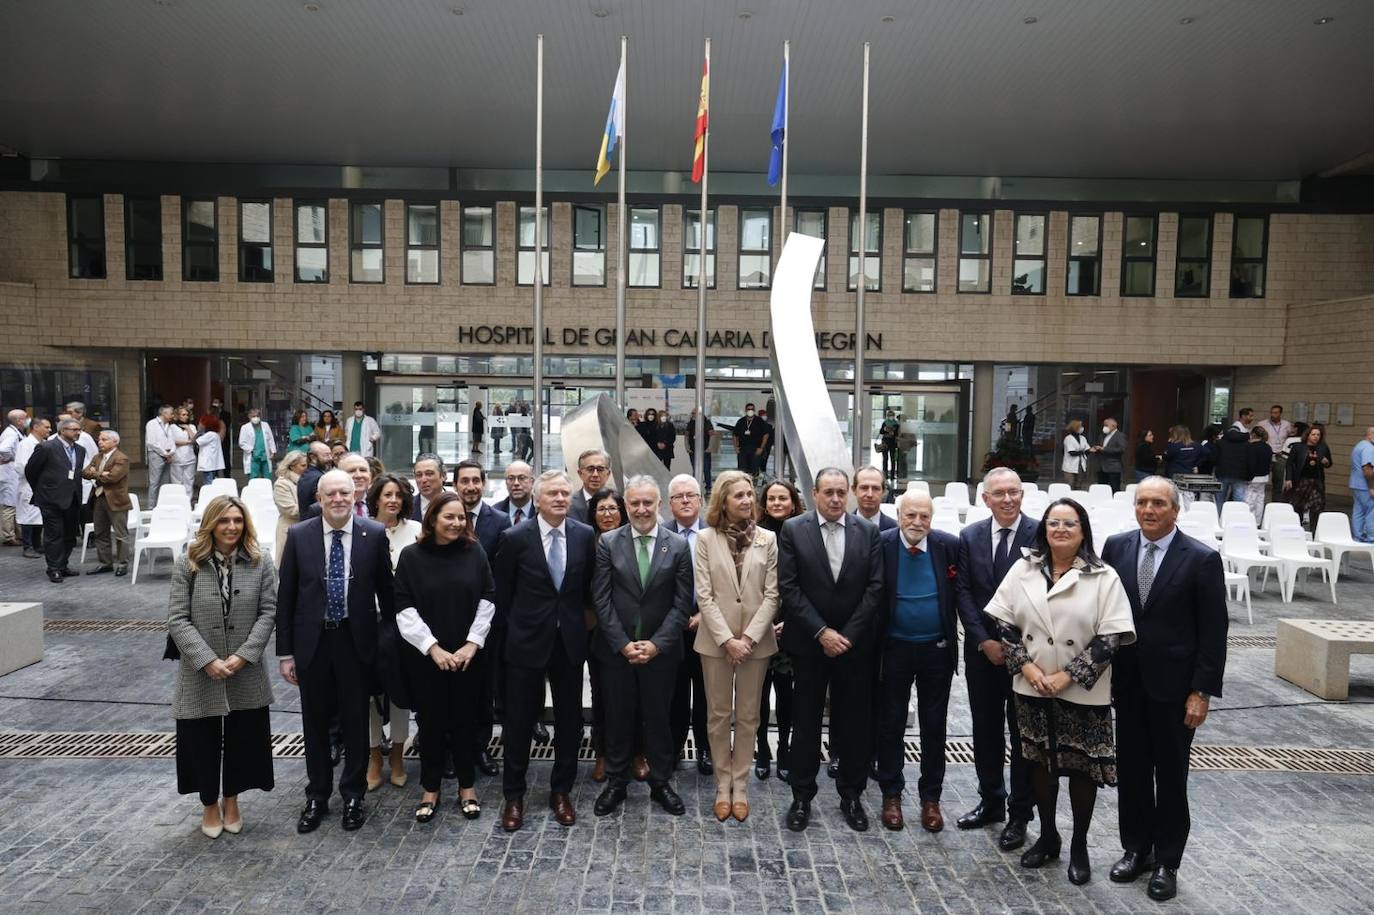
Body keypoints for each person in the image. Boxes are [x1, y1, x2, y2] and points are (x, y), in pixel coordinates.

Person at [984, 498, 1136, 885]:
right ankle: (1048, 836)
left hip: (1082, 690)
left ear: (1083, 530)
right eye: (1054, 523)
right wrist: (1030, 668)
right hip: (1032, 686)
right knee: (1039, 764)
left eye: (1070, 523)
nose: (1061, 530)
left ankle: (1079, 845)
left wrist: (1067, 676)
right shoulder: (1023, 569)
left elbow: (1112, 636)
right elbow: (1004, 624)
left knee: (1083, 770)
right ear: (1044, 529)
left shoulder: (1104, 576)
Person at [1102, 477, 1227, 901]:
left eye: (1158, 503)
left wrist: (1201, 692)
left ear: (1175, 510)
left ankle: (1167, 861)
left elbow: (1214, 634)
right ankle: (1136, 848)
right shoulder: (1116, 548)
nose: (1149, 510)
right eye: (1142, 503)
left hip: (1175, 691)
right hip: (1127, 685)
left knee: (1171, 776)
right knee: (1132, 770)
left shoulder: (1201, 559)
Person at [275, 468, 397, 834]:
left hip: (355, 642)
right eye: (332, 494)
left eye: (345, 493)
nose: (339, 499)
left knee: (356, 721)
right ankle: (317, 794)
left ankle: (354, 794)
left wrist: (386, 645)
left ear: (355, 496)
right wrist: (285, 654)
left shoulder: (373, 535)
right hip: (312, 644)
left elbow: (387, 596)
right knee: (314, 723)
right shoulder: (299, 536)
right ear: (320, 499)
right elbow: (287, 598)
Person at [778, 468, 884, 833]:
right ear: (815, 493)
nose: (836, 499)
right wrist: (822, 632)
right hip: (809, 645)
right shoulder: (794, 530)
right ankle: (801, 796)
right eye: (829, 492)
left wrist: (847, 635)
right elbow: (789, 589)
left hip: (854, 648)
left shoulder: (868, 532)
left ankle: (851, 795)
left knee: (854, 723)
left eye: (842, 492)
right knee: (804, 723)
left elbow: (875, 588)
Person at [167, 495, 278, 838]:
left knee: (244, 738)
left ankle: (232, 800)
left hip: (245, 669)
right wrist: (206, 660)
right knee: (201, 742)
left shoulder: (261, 560)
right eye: (224, 520)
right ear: (211, 524)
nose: (231, 527)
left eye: (237, 520)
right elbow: (177, 618)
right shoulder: (188, 562)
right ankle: (208, 804)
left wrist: (246, 654)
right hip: (201, 672)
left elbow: (269, 611)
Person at [493, 469, 596, 832]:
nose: (560, 499)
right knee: (519, 722)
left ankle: (561, 791)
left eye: (565, 494)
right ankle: (514, 796)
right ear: (537, 499)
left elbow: (586, 589)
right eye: (552, 493)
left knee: (569, 722)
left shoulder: (584, 536)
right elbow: (501, 595)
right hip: (525, 643)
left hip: (568, 642)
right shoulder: (514, 537)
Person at [590, 476, 693, 817]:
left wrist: (657, 644)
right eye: (634, 503)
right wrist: (622, 644)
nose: (641, 509)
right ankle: (616, 782)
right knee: (618, 718)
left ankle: (660, 782)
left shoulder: (677, 545)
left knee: (659, 719)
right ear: (626, 506)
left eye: (648, 502)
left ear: (659, 504)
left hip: (660, 653)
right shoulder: (608, 542)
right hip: (617, 652)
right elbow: (601, 599)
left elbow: (682, 604)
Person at [954, 467, 1039, 850]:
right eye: (999, 493)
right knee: (985, 730)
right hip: (983, 654)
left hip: (1029, 656)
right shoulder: (969, 536)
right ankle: (991, 801)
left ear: (1022, 495)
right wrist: (983, 641)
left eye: (1014, 492)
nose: (1007, 499)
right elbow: (965, 593)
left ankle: (1021, 813)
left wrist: (1016, 647)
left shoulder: (1040, 534)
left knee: (1024, 735)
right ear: (984, 499)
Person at [693, 470, 778, 822]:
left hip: (755, 645)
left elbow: (772, 595)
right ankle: (721, 783)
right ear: (723, 501)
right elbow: (704, 595)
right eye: (738, 495)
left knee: (748, 716)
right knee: (717, 715)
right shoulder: (705, 538)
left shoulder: (768, 539)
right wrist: (728, 639)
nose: (746, 500)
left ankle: (739, 785)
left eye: (749, 494)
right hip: (715, 643)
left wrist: (748, 639)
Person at [875, 491, 961, 833]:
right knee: (891, 723)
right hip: (894, 648)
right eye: (910, 515)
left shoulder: (948, 546)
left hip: (936, 651)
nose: (917, 522)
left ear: (931, 517)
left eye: (924, 516)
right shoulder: (880, 545)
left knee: (934, 726)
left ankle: (931, 799)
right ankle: (891, 795)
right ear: (898, 515)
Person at [453, 458, 512, 775]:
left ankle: (480, 747)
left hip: (489, 620)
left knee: (484, 689)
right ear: (456, 484)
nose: (471, 486)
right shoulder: (444, 517)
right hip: (448, 618)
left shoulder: (500, 521)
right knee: (450, 687)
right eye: (465, 481)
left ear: (484, 483)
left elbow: (502, 573)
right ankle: (453, 748)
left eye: (476, 480)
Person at [366, 473, 421, 791]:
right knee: (370, 696)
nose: (393, 500)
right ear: (375, 498)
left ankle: (398, 756)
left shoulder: (415, 532)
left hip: (406, 626)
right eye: (387, 494)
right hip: (368, 625)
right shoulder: (362, 530)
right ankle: (374, 757)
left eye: (398, 495)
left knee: (400, 694)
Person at [664, 474, 713, 776]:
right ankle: (673, 747)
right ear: (669, 503)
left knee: (708, 693)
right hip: (671, 627)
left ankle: (706, 749)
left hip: (709, 625)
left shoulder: (716, 534)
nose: (685, 500)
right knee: (675, 693)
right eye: (678, 496)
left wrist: (705, 615)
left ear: (700, 500)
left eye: (690, 495)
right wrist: (675, 616)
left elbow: (726, 582)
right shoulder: (660, 534)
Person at [755, 477, 802, 783]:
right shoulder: (754, 535)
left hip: (792, 630)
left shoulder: (804, 533)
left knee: (786, 696)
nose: (776, 504)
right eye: (771, 498)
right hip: (759, 628)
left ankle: (785, 748)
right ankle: (761, 749)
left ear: (793, 502)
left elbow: (809, 583)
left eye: (782, 498)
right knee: (757, 695)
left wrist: (793, 621)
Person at [587, 489, 629, 782]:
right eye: (601, 509)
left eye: (613, 509)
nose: (607, 514)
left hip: (631, 631)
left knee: (634, 695)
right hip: (596, 631)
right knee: (602, 696)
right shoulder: (583, 542)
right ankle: (602, 753)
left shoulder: (632, 540)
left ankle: (637, 752)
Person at [24, 417, 86, 584]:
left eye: (79, 429)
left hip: (72, 498)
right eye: (74, 429)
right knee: (54, 535)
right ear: (62, 430)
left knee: (70, 536)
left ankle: (63, 564)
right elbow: (30, 470)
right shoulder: (46, 447)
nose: (78, 432)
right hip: (50, 499)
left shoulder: (80, 450)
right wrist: (42, 490)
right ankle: (54, 569)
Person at [82, 429, 130, 576]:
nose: (100, 442)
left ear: (115, 442)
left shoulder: (121, 458)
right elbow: (84, 473)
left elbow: (112, 478)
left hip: (116, 500)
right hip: (98, 498)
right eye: (99, 439)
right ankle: (105, 563)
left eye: (104, 439)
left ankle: (123, 563)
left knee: (120, 534)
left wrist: (94, 473)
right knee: (100, 533)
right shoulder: (97, 457)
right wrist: (100, 473)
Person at [1284, 423, 1333, 531]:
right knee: (1298, 506)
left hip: (1316, 481)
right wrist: (1288, 478)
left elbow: (1329, 463)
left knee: (1317, 507)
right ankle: (1297, 529)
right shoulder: (1298, 447)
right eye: (1313, 434)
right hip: (1302, 480)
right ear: (1308, 435)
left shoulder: (1323, 448)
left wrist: (1326, 462)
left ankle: (1314, 531)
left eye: (1318, 435)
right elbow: (1289, 464)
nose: (1316, 437)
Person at [14, 418, 49, 558]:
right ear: (35, 427)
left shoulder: (44, 444)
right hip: (29, 485)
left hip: (41, 485)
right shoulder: (26, 444)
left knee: (38, 516)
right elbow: (21, 466)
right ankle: (27, 546)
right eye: (46, 427)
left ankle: (37, 544)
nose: (49, 430)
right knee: (28, 517)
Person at [0, 409, 29, 547]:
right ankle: (8, 536)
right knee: (9, 506)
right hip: (9, 473)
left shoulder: (14, 432)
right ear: (18, 421)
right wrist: (11, 458)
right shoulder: (11, 434)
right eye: (25, 418)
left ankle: (17, 534)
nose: (27, 420)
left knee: (14, 504)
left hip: (11, 474)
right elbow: (3, 449)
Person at [272, 452, 306, 560]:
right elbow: (291, 511)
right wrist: (314, 507)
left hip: (305, 531)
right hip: (289, 532)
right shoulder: (281, 484)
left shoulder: (306, 482)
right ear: (292, 466)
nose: (307, 468)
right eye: (303, 465)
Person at [1211, 420, 1251, 508]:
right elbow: (1249, 461)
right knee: (1239, 500)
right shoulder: (1246, 444)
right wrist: (1249, 476)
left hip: (1222, 473)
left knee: (1220, 499)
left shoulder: (1220, 443)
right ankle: (1237, 519)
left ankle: (1219, 519)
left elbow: (1214, 458)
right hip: (1240, 475)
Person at [145, 404, 178, 507]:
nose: (173, 416)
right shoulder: (152, 424)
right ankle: (151, 507)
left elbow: (172, 440)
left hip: (168, 454)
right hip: (156, 454)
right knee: (154, 482)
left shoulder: (169, 425)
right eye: (171, 413)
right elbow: (151, 442)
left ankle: (163, 505)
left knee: (166, 482)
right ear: (164, 413)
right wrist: (164, 453)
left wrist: (171, 452)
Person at [570, 448, 612, 524]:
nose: (595, 475)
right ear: (580, 473)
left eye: (600, 469)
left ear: (608, 473)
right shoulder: (568, 504)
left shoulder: (619, 504)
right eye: (590, 469)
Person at [1259, 405, 1292, 498]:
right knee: (1261, 479)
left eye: (1276, 413)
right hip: (1267, 454)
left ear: (1280, 413)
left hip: (1280, 455)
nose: (1273, 415)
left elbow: (1290, 437)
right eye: (1272, 412)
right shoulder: (1262, 424)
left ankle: (1276, 503)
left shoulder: (1287, 424)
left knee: (1278, 481)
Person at [853, 465, 897, 531]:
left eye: (875, 488)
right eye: (864, 488)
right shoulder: (843, 527)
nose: (869, 494)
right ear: (854, 490)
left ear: (884, 491)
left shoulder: (896, 529)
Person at [1243, 427, 1273, 524]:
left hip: (1253, 477)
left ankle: (1248, 521)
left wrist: (1248, 476)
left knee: (1249, 500)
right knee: (1260, 500)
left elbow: (1251, 463)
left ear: (1253, 435)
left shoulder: (1251, 447)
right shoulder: (1268, 447)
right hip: (1264, 476)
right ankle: (1258, 522)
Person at [237, 408, 276, 480]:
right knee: (253, 478)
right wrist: (251, 450)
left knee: (267, 477)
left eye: (257, 416)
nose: (256, 418)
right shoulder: (245, 427)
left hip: (265, 455)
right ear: (249, 417)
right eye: (253, 416)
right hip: (253, 456)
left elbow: (270, 439)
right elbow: (242, 443)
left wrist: (273, 451)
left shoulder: (265, 425)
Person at [1350, 426, 1374, 544]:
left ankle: (1358, 537)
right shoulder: (1369, 448)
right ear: (1369, 435)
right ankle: (1371, 539)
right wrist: (1372, 487)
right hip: (1365, 485)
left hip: (1356, 484)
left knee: (1358, 511)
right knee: (1371, 511)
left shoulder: (1359, 445)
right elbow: (1367, 469)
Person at [296, 442, 333, 516]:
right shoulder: (319, 478)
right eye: (326, 455)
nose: (330, 458)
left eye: (330, 454)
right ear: (313, 457)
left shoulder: (307, 474)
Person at [494, 460, 535, 525]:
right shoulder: (495, 513)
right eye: (511, 478)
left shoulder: (543, 512)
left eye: (522, 478)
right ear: (506, 483)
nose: (516, 483)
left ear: (532, 482)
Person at [410, 453, 448, 522]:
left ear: (443, 476)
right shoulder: (406, 507)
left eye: (429, 474)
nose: (423, 480)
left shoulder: (458, 504)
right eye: (419, 475)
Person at [171, 406, 198, 500]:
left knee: (189, 481)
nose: (185, 416)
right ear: (178, 416)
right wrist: (187, 442)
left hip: (190, 458)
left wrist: (188, 428)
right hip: (177, 458)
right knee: (177, 481)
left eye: (187, 415)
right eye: (183, 415)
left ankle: (188, 500)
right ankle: (178, 500)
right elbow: (173, 441)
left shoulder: (192, 427)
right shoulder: (172, 427)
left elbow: (195, 439)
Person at [1093, 418, 1126, 491]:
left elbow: (1121, 449)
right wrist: (1097, 449)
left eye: (1106, 425)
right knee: (1102, 489)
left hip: (1113, 468)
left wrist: (1104, 449)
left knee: (1114, 489)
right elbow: (1101, 448)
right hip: (1102, 467)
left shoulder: (1119, 435)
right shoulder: (1102, 436)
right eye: (1104, 425)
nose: (1104, 427)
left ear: (1113, 426)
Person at [733, 403, 765, 476]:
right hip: (743, 450)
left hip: (755, 450)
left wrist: (761, 448)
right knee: (742, 472)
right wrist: (736, 447)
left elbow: (766, 435)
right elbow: (735, 435)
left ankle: (753, 486)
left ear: (754, 410)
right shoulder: (741, 421)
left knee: (754, 471)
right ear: (745, 410)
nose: (750, 411)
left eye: (752, 409)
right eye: (748, 409)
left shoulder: (759, 421)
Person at [685, 407, 713, 484]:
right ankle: (695, 486)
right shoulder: (691, 423)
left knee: (706, 469)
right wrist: (687, 447)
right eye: (692, 413)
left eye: (694, 413)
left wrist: (709, 447)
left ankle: (708, 487)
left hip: (705, 450)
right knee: (695, 470)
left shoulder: (707, 422)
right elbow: (686, 436)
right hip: (693, 451)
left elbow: (712, 435)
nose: (693, 415)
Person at [1061, 420, 1090, 489]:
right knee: (1069, 484)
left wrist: (1091, 450)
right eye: (1080, 426)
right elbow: (1072, 453)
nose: (1082, 428)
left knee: (1078, 485)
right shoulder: (1068, 438)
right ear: (1075, 427)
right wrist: (1083, 452)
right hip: (1070, 466)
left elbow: (1087, 450)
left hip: (1080, 465)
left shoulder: (1083, 438)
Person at [196, 421, 226, 486]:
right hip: (211, 464)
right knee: (211, 481)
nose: (198, 426)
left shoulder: (210, 434)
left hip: (208, 464)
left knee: (208, 483)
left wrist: (198, 432)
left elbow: (197, 441)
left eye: (200, 424)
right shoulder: (215, 434)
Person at [878, 410, 900, 482]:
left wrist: (892, 432)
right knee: (885, 459)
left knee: (893, 459)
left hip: (893, 443)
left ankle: (892, 475)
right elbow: (881, 432)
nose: (891, 417)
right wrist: (885, 429)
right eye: (889, 415)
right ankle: (885, 475)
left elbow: (897, 433)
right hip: (885, 442)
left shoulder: (896, 424)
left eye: (892, 415)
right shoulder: (885, 423)